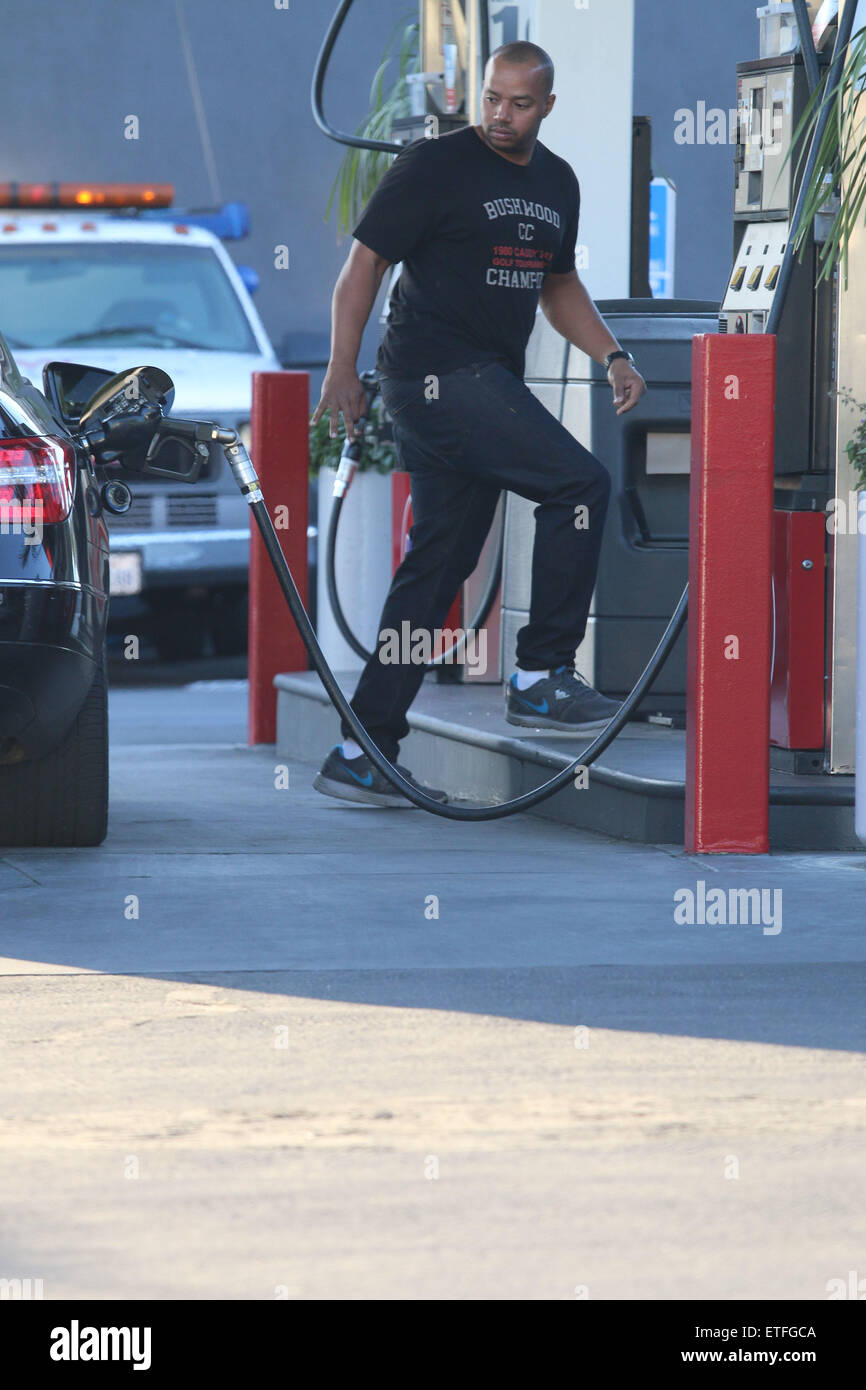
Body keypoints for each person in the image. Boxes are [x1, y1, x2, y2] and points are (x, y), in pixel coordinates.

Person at [311, 40, 647, 808]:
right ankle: (539, 676)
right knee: (581, 484)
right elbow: (363, 265)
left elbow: (557, 285)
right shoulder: (434, 165)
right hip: (432, 375)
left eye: (519, 103)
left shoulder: (557, 182)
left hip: (480, 381)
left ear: (547, 107)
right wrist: (339, 367)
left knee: (440, 566)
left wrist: (613, 355)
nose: (501, 114)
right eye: (493, 98)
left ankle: (361, 750)